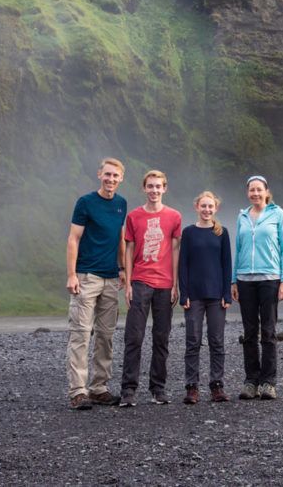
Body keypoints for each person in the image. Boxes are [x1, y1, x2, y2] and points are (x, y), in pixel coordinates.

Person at [65, 158, 127, 410]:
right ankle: (78, 391)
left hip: (111, 278)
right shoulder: (86, 202)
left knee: (106, 335)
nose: (111, 179)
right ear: (99, 174)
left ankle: (99, 387)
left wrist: (122, 268)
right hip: (86, 276)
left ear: (121, 179)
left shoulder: (121, 204)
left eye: (116, 176)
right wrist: (71, 274)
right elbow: (73, 239)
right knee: (80, 334)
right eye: (107, 174)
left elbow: (121, 239)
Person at [119, 169, 182, 406]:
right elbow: (129, 249)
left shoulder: (174, 216)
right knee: (134, 336)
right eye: (150, 186)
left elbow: (175, 250)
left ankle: (158, 388)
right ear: (144, 188)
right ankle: (128, 390)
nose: (154, 190)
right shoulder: (134, 216)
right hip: (141, 282)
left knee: (161, 338)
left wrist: (175, 283)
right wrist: (128, 281)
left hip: (165, 284)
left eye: (158, 186)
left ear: (165, 188)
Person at [231, 175, 283, 401]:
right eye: (251, 190)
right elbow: (238, 248)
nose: (255, 193)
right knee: (249, 333)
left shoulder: (278, 214)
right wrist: (233, 280)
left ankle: (269, 382)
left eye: (259, 190)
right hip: (245, 280)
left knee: (268, 331)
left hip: (270, 279)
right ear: (248, 193)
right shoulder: (243, 216)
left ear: (266, 191)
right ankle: (251, 381)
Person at [178, 191, 233, 404]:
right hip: (194, 295)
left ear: (215, 208)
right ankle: (192, 387)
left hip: (217, 295)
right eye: (204, 206)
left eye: (211, 206)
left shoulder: (222, 232)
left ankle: (216, 386)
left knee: (217, 341)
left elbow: (226, 264)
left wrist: (227, 293)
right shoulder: (189, 232)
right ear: (196, 207)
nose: (207, 210)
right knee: (193, 341)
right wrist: (184, 294)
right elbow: (183, 265)